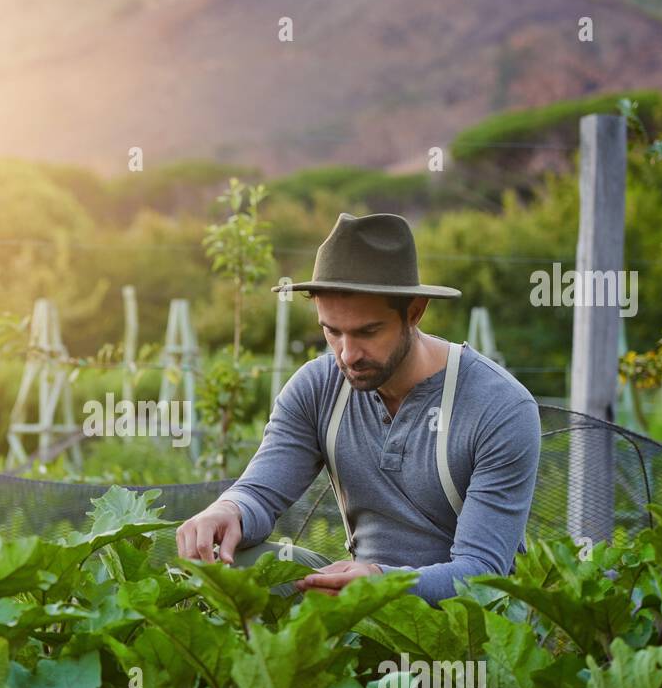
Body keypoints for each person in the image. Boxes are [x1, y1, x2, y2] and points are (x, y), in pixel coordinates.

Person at [175, 212, 541, 606]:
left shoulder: (498, 406)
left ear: (414, 311)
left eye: (368, 331)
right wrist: (227, 511)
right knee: (233, 565)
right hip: (359, 599)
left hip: (465, 625)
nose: (348, 354)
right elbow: (260, 494)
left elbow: (481, 574)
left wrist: (381, 580)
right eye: (332, 331)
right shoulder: (317, 387)